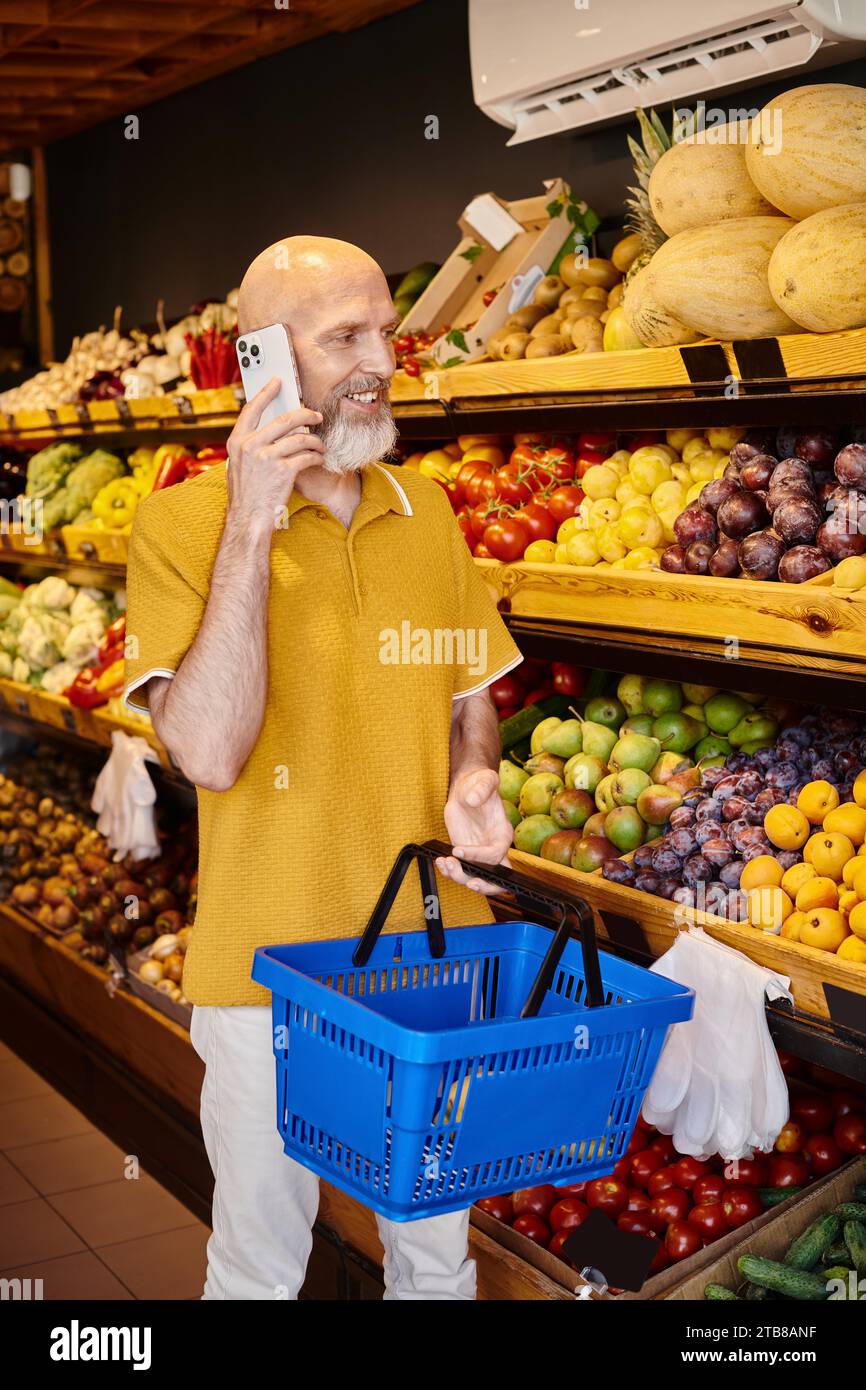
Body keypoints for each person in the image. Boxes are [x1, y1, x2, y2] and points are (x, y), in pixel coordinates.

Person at [122, 236, 523, 1300]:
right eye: (343, 335)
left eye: (384, 331)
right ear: (259, 358)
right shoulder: (179, 523)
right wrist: (254, 516)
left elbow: (464, 697)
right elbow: (205, 749)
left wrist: (471, 782)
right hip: (262, 969)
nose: (378, 359)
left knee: (435, 1258)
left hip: (433, 954)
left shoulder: (423, 509)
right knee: (260, 1263)